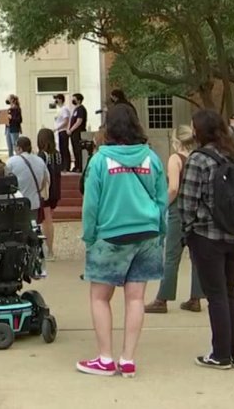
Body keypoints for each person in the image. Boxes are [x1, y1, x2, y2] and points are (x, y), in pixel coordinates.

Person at [77, 104, 167, 378]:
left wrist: (89, 235)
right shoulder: (151, 158)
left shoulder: (100, 160)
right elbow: (161, 199)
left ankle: (105, 357)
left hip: (111, 233)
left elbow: (91, 205)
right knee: (136, 298)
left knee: (100, 297)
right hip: (147, 233)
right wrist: (161, 230)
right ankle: (128, 359)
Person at [180, 109, 234, 369]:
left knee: (216, 295)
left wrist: (187, 230)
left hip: (207, 234)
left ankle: (220, 353)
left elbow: (188, 200)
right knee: (230, 292)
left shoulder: (199, 158)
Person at [146, 126, 204, 314]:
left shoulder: (175, 159)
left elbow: (173, 188)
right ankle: (196, 297)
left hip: (178, 211)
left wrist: (161, 205)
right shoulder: (198, 157)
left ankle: (162, 298)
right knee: (196, 256)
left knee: (171, 256)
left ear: (176, 141)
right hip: (196, 210)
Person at [6, 136, 49, 222]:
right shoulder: (40, 160)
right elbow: (45, 181)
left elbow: (5, 180)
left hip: (17, 202)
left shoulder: (11, 161)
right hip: (35, 202)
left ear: (19, 148)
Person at [36, 128, 62, 257]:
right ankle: (49, 249)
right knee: (48, 219)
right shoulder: (57, 154)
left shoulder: (42, 155)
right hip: (56, 190)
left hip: (46, 190)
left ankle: (49, 250)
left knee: (46, 220)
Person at [69, 93, 89, 173]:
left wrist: (71, 129)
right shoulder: (76, 109)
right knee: (75, 149)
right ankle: (76, 165)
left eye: (74, 99)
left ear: (79, 100)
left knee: (78, 150)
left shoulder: (81, 109)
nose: (73, 100)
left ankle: (80, 167)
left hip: (78, 133)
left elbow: (79, 121)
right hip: (74, 133)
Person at [53, 94, 72, 172]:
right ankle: (63, 165)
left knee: (64, 149)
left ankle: (66, 166)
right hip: (60, 131)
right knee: (61, 148)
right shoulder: (59, 109)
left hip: (63, 131)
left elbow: (66, 121)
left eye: (56, 99)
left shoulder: (64, 109)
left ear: (60, 99)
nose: (55, 101)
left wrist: (57, 128)